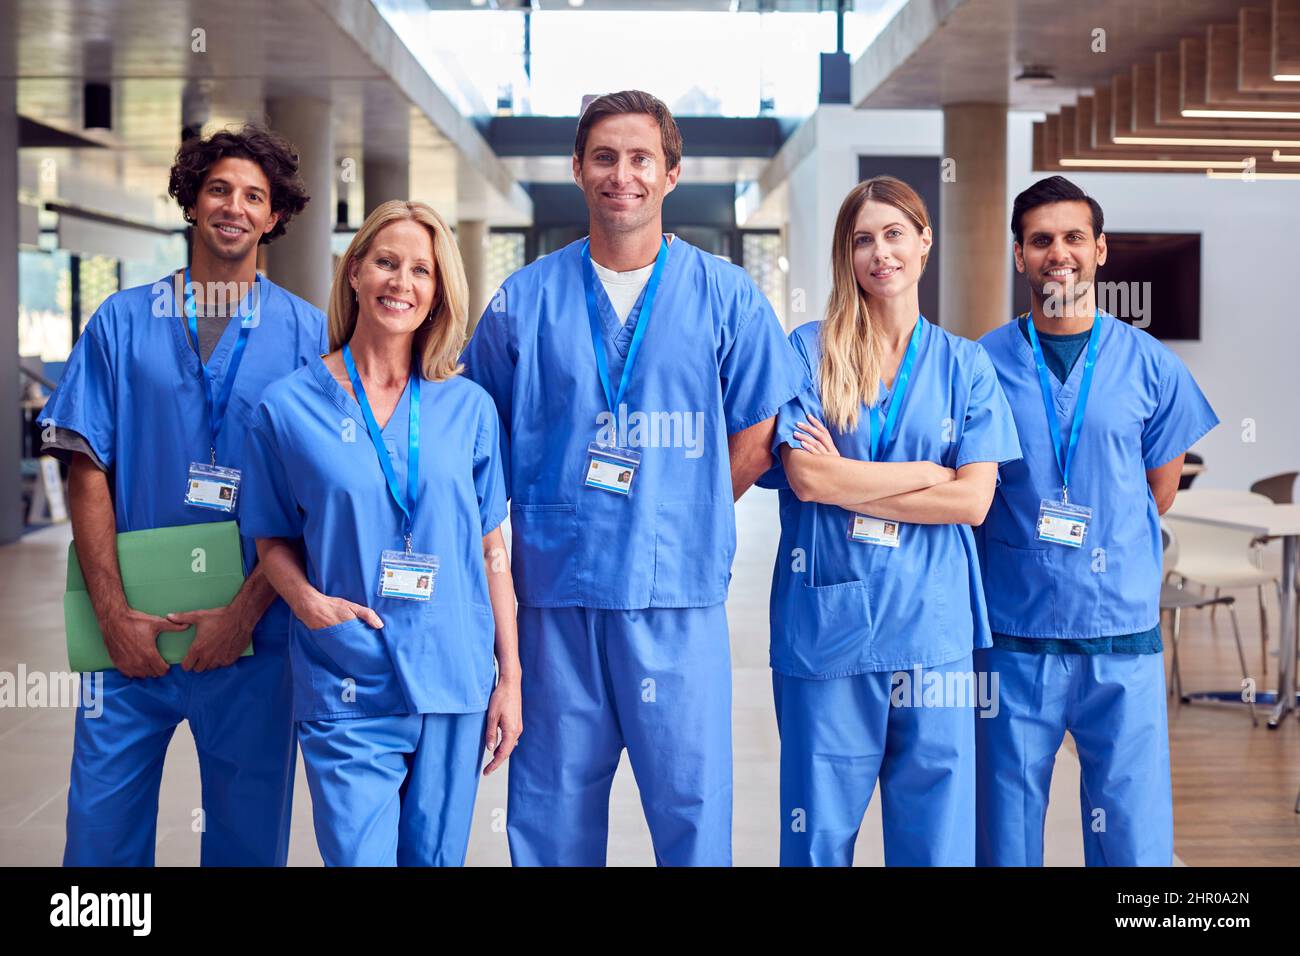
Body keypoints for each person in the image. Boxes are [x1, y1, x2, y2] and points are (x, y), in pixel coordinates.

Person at [462, 90, 807, 866]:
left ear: (672, 172)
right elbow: (479, 431)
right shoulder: (524, 300)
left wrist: (685, 509)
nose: (624, 175)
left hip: (676, 603)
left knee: (691, 817)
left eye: (641, 158)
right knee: (550, 823)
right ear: (578, 169)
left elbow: (758, 432)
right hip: (557, 603)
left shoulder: (725, 295)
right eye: (606, 157)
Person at [39, 124, 325, 866]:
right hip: (128, 628)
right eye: (220, 189)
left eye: (254, 196)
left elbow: (312, 497)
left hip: (253, 639)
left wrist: (242, 616)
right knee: (98, 837)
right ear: (192, 203)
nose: (235, 206)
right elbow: (86, 466)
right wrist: (111, 614)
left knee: (246, 839)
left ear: (274, 217)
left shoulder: (306, 336)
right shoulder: (120, 323)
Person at [241, 200, 520, 867]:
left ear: (438, 292)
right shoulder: (289, 406)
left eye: (421, 270)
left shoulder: (468, 406)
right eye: (388, 263)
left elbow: (493, 550)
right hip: (347, 672)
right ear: (356, 273)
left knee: (433, 859)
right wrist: (307, 603)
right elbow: (271, 537)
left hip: (453, 674)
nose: (403, 282)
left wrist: (509, 676)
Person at [759, 177, 1021, 866]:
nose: (881, 252)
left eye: (894, 233)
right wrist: (929, 473)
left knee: (935, 840)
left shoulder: (966, 364)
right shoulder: (807, 350)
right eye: (863, 239)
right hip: (827, 635)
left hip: (932, 634)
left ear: (925, 240)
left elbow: (973, 502)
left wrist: (848, 485)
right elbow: (806, 476)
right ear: (848, 254)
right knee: (816, 836)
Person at [976, 176, 1219, 866]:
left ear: (1100, 249)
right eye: (1042, 239)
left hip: (1121, 636)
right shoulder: (980, 364)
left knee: (1132, 831)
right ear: (1019, 254)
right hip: (1013, 634)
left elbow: (1159, 489)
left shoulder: (1150, 365)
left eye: (1074, 237)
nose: (1060, 253)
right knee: (1005, 828)